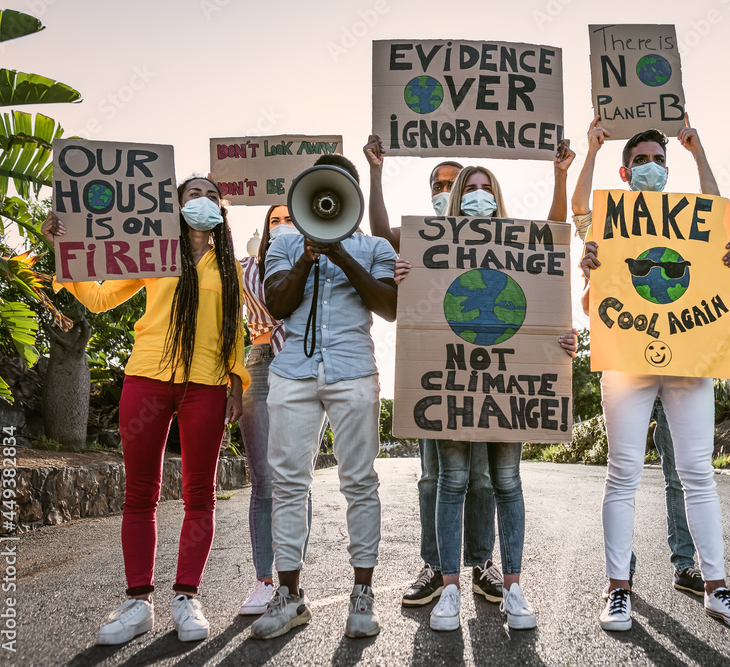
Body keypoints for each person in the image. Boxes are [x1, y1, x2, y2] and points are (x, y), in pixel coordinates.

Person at [365, 135, 576, 608]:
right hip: (447, 377)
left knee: (490, 481)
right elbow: (381, 232)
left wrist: (560, 176)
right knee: (440, 481)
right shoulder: (426, 242)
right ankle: (440, 573)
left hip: (499, 379)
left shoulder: (515, 239)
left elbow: (552, 237)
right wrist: (376, 173)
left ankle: (483, 565)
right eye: (465, 189)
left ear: (497, 197)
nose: (476, 196)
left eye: (485, 188)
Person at [43, 176, 250, 645]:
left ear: (222, 209)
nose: (203, 202)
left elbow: (232, 327)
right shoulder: (152, 253)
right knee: (140, 493)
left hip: (206, 384)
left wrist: (236, 381)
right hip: (147, 377)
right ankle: (138, 602)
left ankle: (185, 597)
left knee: (201, 493)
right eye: (193, 194)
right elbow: (98, 296)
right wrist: (60, 246)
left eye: (212, 196)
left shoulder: (229, 266)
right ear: (175, 206)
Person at [575, 115, 730, 631]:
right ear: (624, 169)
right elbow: (587, 274)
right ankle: (617, 590)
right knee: (623, 472)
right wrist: (590, 270)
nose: (652, 167)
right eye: (641, 161)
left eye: (661, 160)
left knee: (698, 472)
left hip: (688, 350)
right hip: (627, 355)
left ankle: (717, 587)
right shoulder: (608, 220)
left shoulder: (695, 218)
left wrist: (697, 151)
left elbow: (718, 218)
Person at [248, 151, 397, 640]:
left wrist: (341, 254)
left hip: (354, 372)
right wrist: (310, 256)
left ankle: (362, 593)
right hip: (292, 372)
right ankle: (289, 595)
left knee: (359, 480)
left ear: (352, 197)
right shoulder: (286, 241)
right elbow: (278, 303)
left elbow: (389, 306)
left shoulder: (375, 247)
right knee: (289, 483)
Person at [237, 205, 322, 615]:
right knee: (264, 480)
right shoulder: (243, 267)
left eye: (291, 218)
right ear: (265, 230)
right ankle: (263, 579)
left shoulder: (319, 260)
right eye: (275, 220)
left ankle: (292, 580)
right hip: (259, 360)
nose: (283, 225)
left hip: (302, 362)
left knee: (297, 477)